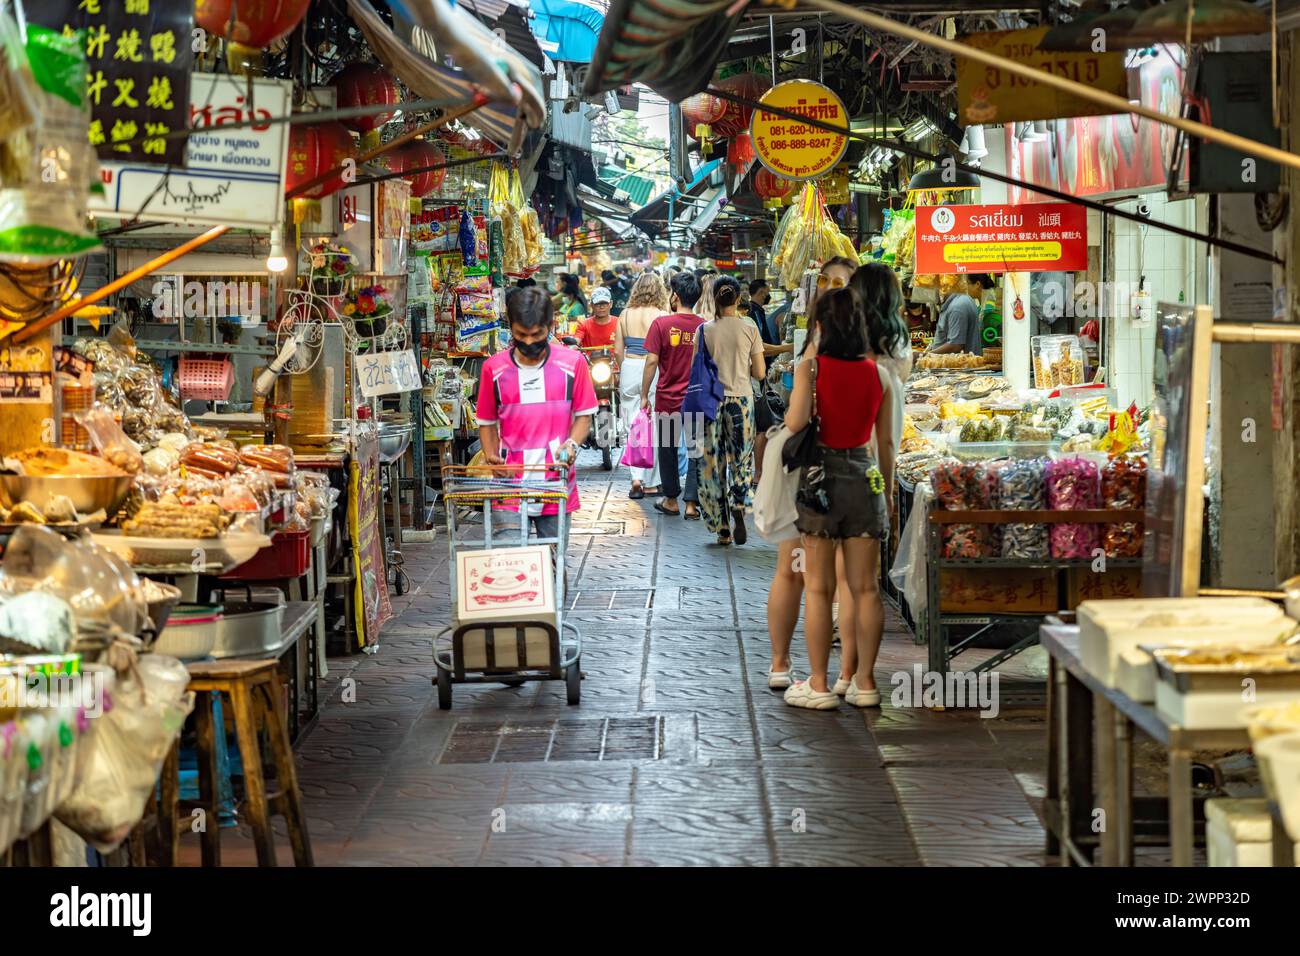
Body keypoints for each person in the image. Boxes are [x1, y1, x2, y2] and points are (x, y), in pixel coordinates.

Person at [781, 288, 896, 710]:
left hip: (821, 481)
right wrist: (884, 493)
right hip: (865, 479)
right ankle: (864, 682)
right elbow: (884, 444)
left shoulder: (812, 369)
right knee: (865, 588)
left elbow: (795, 422)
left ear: (822, 326)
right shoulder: (878, 373)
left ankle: (819, 683)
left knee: (818, 588)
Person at [766, 256, 860, 690]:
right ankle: (794, 667)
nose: (830, 287)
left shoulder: (821, 352)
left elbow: (796, 418)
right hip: (829, 474)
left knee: (828, 577)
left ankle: (827, 677)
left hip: (815, 473)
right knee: (799, 569)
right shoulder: (849, 348)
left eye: (838, 282)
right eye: (826, 281)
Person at [476, 287, 598, 567]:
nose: (529, 342)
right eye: (521, 335)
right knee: (510, 564)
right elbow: (486, 422)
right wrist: (491, 454)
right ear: (511, 329)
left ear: (549, 326)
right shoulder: (493, 369)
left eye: (536, 335)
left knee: (553, 563)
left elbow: (583, 416)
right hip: (508, 483)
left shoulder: (573, 363)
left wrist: (572, 444)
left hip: (555, 481)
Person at [697, 276, 764, 546]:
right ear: (738, 298)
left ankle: (722, 527)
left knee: (713, 462)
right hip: (742, 402)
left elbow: (697, 370)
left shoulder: (705, 330)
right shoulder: (749, 328)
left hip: (712, 402)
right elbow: (759, 372)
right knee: (742, 459)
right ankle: (739, 502)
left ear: (713, 298)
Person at [640, 272, 706, 518]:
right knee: (695, 450)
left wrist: (644, 395)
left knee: (667, 448)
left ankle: (671, 499)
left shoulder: (662, 324)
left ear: (675, 296)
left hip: (668, 399)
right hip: (696, 400)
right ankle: (691, 504)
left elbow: (651, 362)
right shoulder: (704, 325)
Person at [614, 272, 668, 499]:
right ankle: (652, 483)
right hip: (653, 370)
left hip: (629, 367)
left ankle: (635, 478)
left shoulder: (624, 315)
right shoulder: (663, 315)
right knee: (653, 426)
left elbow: (617, 351)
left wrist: (626, 367)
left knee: (632, 425)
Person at [929, 273, 992, 355]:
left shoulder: (958, 306)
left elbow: (956, 346)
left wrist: (926, 356)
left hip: (958, 366)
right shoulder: (955, 303)